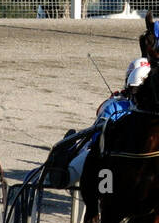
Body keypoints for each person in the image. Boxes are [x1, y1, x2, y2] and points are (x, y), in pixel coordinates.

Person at [59, 57, 152, 187]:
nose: (140, 96)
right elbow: (98, 136)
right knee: (92, 159)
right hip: (112, 159)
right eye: (136, 91)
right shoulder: (115, 107)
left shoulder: (158, 114)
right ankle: (66, 175)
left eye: (144, 92)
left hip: (144, 161)